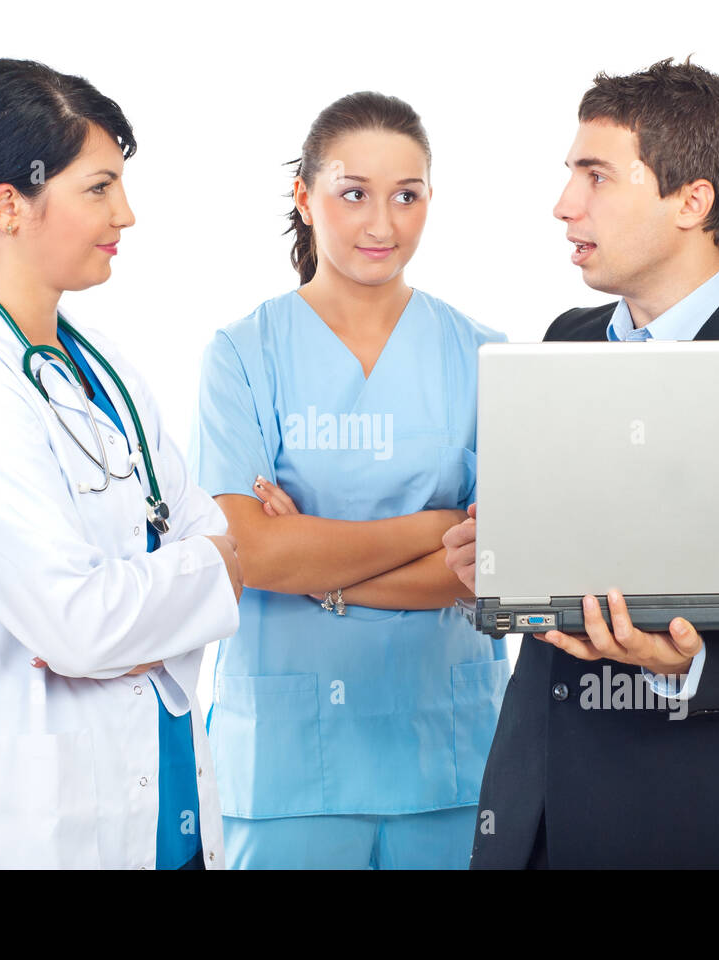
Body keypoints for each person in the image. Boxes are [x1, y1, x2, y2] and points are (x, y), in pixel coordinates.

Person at [443, 57, 719, 868]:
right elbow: (548, 587)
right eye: (571, 174)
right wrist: (498, 572)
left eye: (595, 176)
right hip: (526, 818)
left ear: (692, 200)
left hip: (686, 827)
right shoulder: (563, 342)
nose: (564, 205)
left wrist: (691, 664)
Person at [0, 58, 243, 869]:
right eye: (98, 188)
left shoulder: (98, 371)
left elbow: (204, 538)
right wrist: (193, 583)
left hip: (161, 812)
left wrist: (156, 598)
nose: (126, 214)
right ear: (8, 206)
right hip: (23, 828)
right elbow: (82, 623)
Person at [190, 91, 509, 869]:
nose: (382, 224)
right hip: (288, 763)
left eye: (407, 196)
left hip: (447, 752)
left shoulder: (486, 358)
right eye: (353, 193)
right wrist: (435, 527)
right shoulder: (242, 354)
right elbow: (255, 554)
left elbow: (491, 568)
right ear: (305, 197)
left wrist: (318, 569)